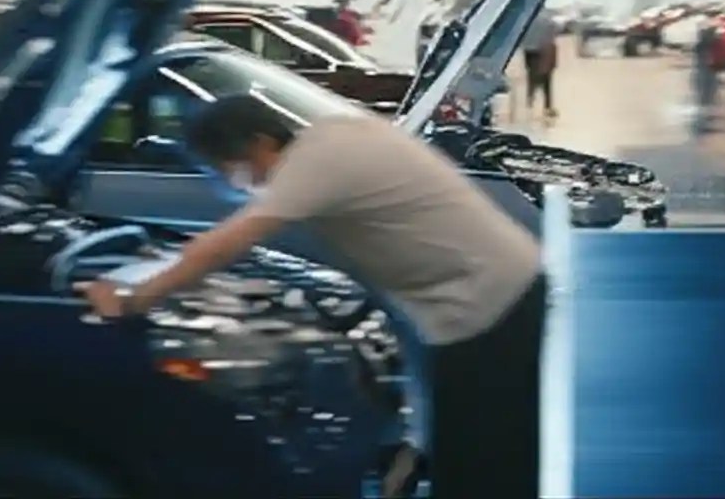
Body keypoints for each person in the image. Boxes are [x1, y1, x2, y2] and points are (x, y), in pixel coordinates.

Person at [81, 95, 548, 499]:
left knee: (482, 465)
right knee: (481, 453)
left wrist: (132, 300)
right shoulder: (335, 136)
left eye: (226, 169)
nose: (232, 182)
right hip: (487, 297)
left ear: (260, 142)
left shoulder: (313, 165)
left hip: (488, 306)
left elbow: (225, 244)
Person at [522, 9, 559, 119]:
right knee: (547, 79)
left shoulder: (527, 20)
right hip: (544, 51)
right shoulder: (549, 20)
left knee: (531, 75)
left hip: (529, 50)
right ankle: (547, 105)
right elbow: (554, 34)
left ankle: (530, 99)